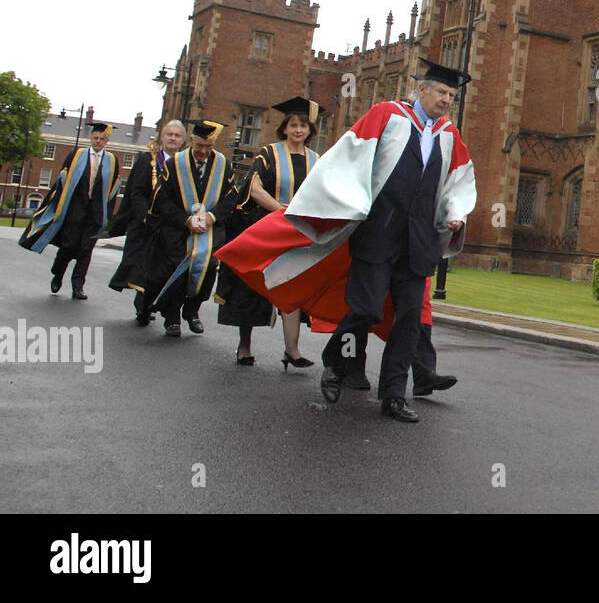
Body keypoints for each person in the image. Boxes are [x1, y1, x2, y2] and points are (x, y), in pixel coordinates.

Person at [216, 60, 476, 423]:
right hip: (378, 234)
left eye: (452, 95)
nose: (447, 100)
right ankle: (335, 362)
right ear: (422, 91)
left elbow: (457, 183)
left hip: (418, 240)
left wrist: (456, 213)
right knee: (366, 309)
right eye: (442, 92)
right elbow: (347, 158)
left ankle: (393, 395)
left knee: (408, 320)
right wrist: (347, 205)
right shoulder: (388, 116)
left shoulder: (450, 135)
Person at [214, 97, 320, 367]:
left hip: (299, 231)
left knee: (290, 285)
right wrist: (281, 212)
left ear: (310, 131)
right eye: (293, 125)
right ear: (285, 128)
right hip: (268, 225)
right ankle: (244, 345)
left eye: (303, 126)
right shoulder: (268, 153)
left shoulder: (316, 160)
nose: (298, 130)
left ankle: (292, 350)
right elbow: (254, 187)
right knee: (253, 287)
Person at [142, 119, 239, 337]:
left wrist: (212, 217)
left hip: (209, 230)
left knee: (207, 269)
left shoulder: (223, 165)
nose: (203, 152)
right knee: (178, 269)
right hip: (179, 230)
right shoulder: (175, 164)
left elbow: (231, 198)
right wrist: (185, 220)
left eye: (208, 147)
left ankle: (192, 310)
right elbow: (161, 200)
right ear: (191, 140)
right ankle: (172, 316)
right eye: (199, 147)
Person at [21, 121, 120, 300]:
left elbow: (113, 190)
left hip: (95, 214)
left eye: (102, 139)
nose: (98, 141)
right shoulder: (77, 155)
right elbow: (62, 181)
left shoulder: (112, 160)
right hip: (74, 210)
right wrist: (57, 207)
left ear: (107, 141)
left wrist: (107, 216)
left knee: (85, 251)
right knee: (68, 246)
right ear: (91, 137)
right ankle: (58, 274)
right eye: (96, 138)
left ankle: (77, 286)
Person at [108, 119, 185, 324]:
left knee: (164, 269)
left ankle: (161, 308)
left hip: (170, 227)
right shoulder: (148, 160)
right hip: (146, 224)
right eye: (169, 134)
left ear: (182, 140)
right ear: (162, 137)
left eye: (177, 135)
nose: (172, 138)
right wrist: (145, 215)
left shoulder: (183, 165)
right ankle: (142, 307)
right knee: (143, 268)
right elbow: (138, 192)